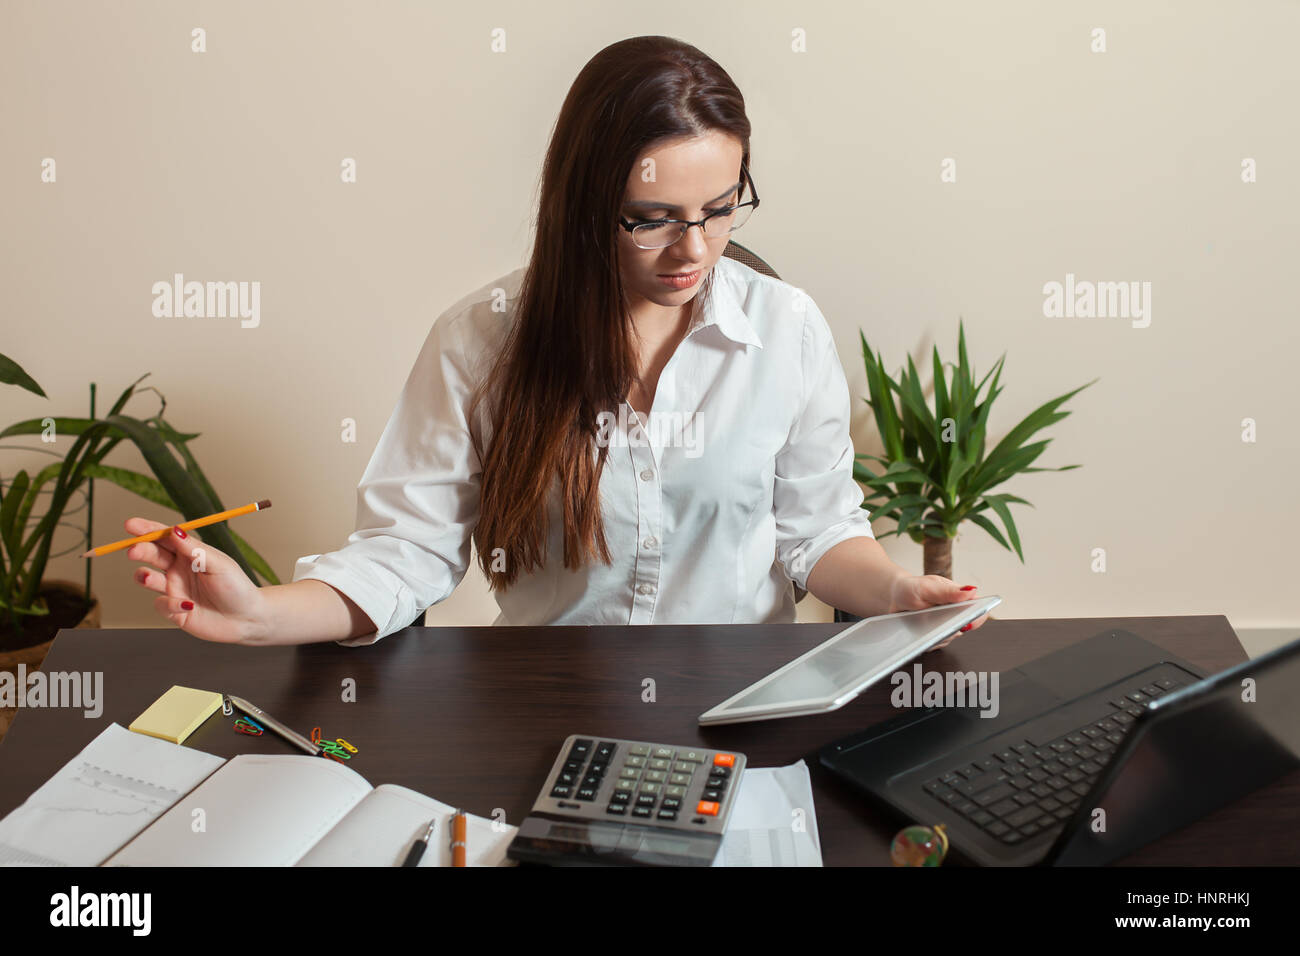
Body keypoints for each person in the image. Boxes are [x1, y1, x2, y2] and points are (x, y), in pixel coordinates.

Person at [125, 36, 989, 647]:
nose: (694, 251)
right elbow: (407, 551)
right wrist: (259, 614)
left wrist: (895, 591)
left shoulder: (786, 327)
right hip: (543, 699)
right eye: (650, 220)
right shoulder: (480, 341)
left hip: (739, 701)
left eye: (720, 210)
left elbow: (819, 533)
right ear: (583, 203)